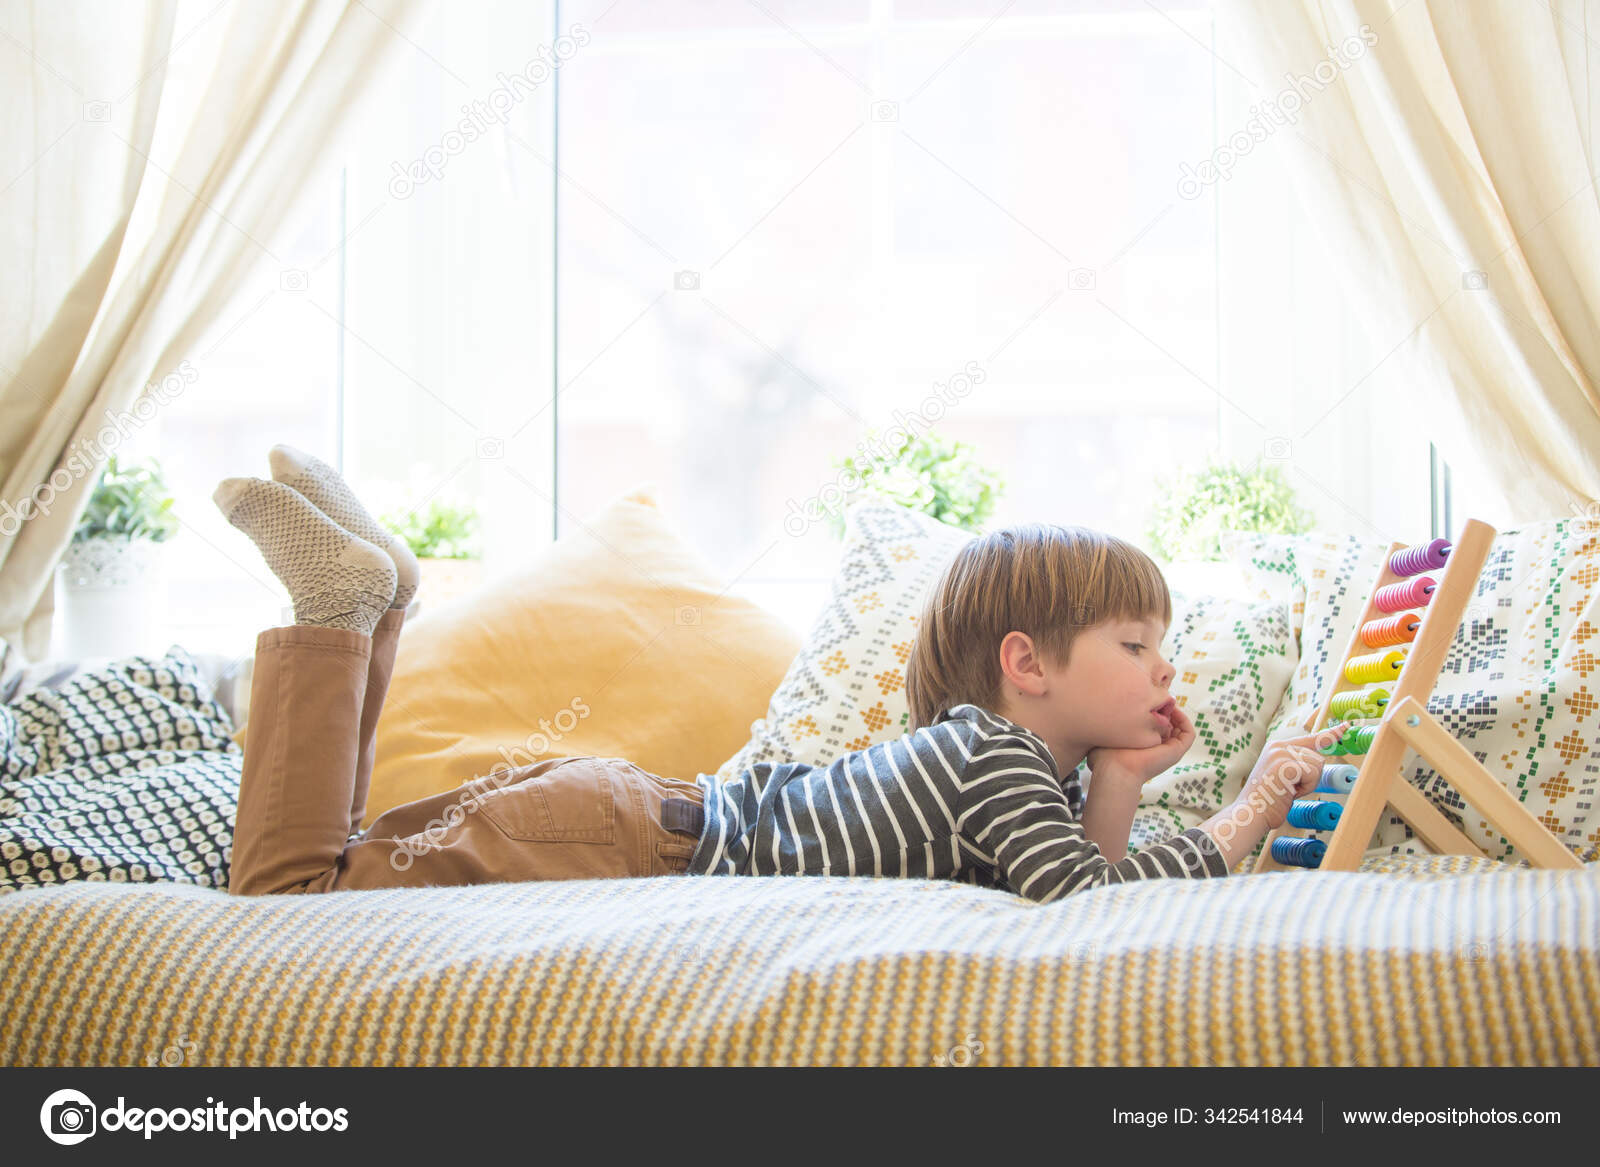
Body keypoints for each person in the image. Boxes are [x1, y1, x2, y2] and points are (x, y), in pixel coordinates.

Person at [223, 446, 1341, 899]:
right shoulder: (993, 758)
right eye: (1136, 646)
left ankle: (377, 612)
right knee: (294, 905)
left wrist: (1122, 779)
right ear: (1025, 665)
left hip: (621, 814)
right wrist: (1245, 811)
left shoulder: (1010, 768)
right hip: (624, 833)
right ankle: (341, 612)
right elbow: (1091, 900)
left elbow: (1072, 886)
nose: (1164, 668)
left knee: (343, 869)